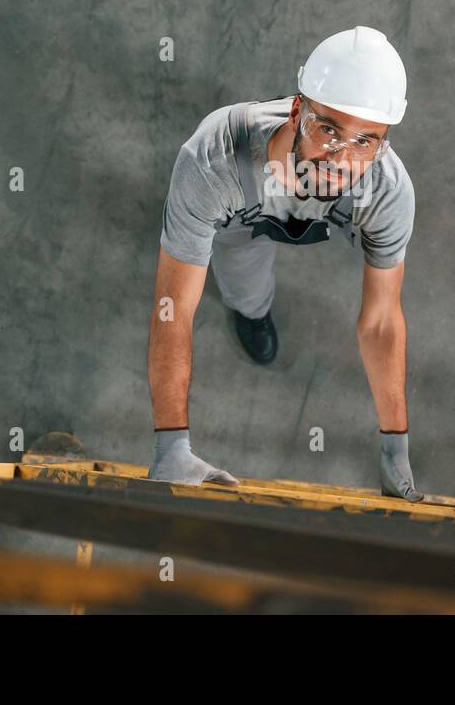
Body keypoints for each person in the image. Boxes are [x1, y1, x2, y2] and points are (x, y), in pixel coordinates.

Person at [146, 26, 422, 501]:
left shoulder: (388, 191)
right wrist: (171, 443)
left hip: (308, 215)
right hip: (240, 222)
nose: (341, 159)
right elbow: (173, 305)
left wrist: (395, 447)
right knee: (245, 287)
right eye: (328, 129)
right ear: (297, 110)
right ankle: (251, 312)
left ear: (384, 143)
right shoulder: (213, 160)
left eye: (365, 142)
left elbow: (380, 322)